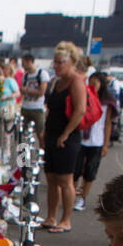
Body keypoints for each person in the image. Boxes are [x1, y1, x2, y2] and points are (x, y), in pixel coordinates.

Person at [42, 42, 87, 232]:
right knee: (51, 178)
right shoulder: (54, 82)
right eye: (55, 62)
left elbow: (80, 110)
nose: (57, 66)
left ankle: (65, 219)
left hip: (67, 137)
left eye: (61, 62)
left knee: (65, 180)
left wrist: (66, 134)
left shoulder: (76, 81)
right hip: (51, 133)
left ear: (71, 63)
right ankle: (51, 216)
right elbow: (49, 108)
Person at [73, 70, 115, 211]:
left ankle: (83, 197)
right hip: (81, 139)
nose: (91, 85)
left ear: (101, 84)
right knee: (76, 170)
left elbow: (108, 123)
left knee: (90, 171)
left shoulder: (107, 102)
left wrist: (105, 144)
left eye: (94, 83)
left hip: (96, 140)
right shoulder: (84, 96)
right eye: (89, 82)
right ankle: (72, 195)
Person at [0, 61, 20, 155]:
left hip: (6, 110)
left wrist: (7, 97)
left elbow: (17, 93)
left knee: (6, 134)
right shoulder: (0, 81)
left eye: (6, 69)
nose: (4, 70)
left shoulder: (10, 81)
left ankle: (6, 153)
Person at [20, 52, 50, 148]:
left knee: (40, 134)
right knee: (23, 133)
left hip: (37, 107)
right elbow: (22, 90)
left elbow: (41, 92)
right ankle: (23, 154)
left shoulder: (42, 74)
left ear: (30, 62)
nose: (22, 65)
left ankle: (42, 154)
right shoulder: (25, 76)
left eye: (23, 63)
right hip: (26, 107)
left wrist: (27, 91)